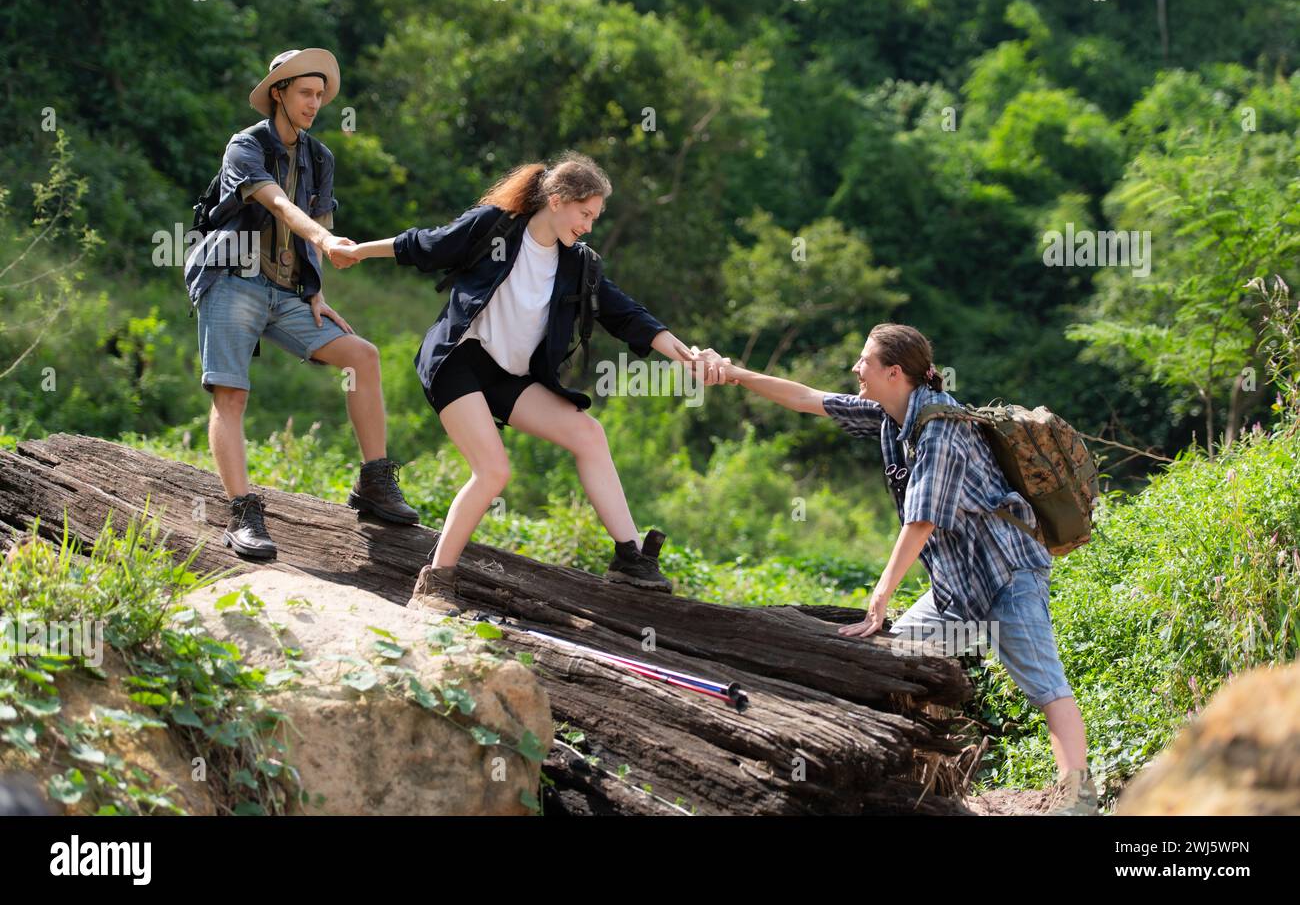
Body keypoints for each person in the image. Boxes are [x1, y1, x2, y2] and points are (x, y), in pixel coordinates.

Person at [714, 323, 1098, 815]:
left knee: (1046, 687)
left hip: (1007, 574)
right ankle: (919, 785)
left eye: (864, 362)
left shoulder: (943, 429)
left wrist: (879, 600)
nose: (855, 369)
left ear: (894, 372)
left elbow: (921, 521)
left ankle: (1078, 800)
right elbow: (808, 398)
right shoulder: (887, 414)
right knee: (897, 663)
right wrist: (735, 374)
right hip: (956, 588)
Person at [339, 151, 727, 599]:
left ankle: (629, 558)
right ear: (558, 200)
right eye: (585, 213)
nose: (588, 225)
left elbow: (628, 316)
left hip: (510, 375)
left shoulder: (578, 264)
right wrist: (357, 251)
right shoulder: (495, 227)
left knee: (589, 434)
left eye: (595, 217)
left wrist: (687, 356)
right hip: (459, 360)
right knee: (492, 471)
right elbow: (427, 244)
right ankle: (435, 581)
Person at [183, 48, 419, 561]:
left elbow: (319, 231)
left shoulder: (320, 158)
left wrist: (317, 290)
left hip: (288, 292)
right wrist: (328, 243)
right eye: (305, 94)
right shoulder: (244, 146)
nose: (315, 104)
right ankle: (242, 513)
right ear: (279, 94)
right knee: (231, 396)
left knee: (363, 356)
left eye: (320, 95)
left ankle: (375, 484)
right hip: (233, 278)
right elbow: (280, 206)